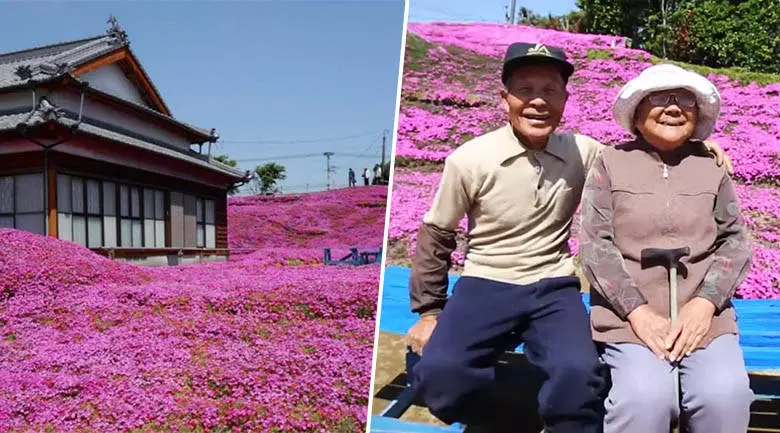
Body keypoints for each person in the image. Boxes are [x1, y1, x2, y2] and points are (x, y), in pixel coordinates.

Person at [406, 42, 732, 433]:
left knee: (579, 375)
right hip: (486, 283)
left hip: (553, 287)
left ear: (565, 99)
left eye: (550, 91)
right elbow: (437, 234)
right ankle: (512, 419)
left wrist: (695, 147)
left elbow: (640, 157)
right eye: (525, 90)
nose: (537, 102)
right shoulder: (469, 159)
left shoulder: (585, 151)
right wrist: (429, 312)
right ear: (504, 96)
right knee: (439, 375)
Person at [579, 63, 754, 433]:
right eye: (659, 97)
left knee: (725, 397)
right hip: (628, 318)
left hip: (703, 317)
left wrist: (705, 303)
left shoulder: (711, 166)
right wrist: (638, 313)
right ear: (638, 112)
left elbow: (735, 240)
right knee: (643, 401)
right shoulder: (609, 163)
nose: (673, 107)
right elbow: (595, 246)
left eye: (684, 100)